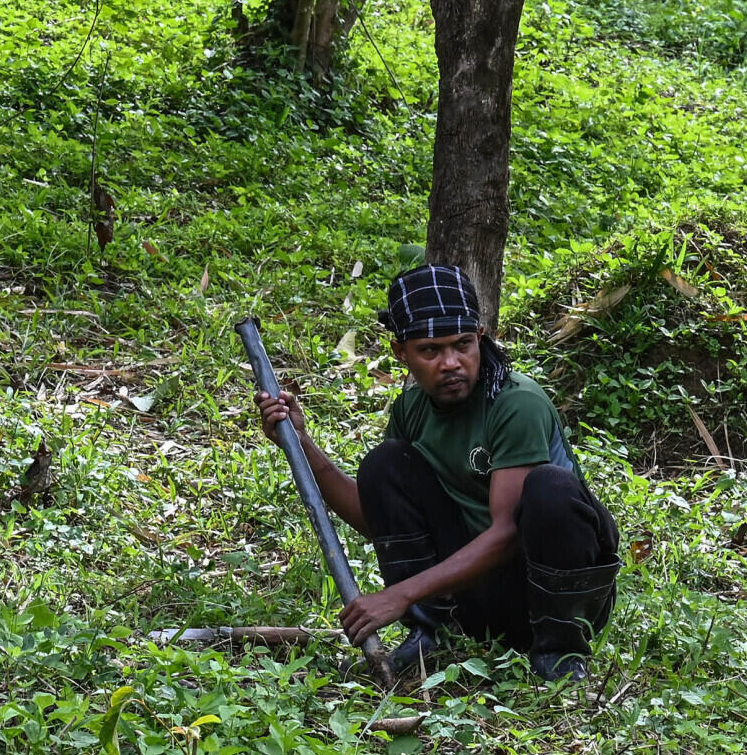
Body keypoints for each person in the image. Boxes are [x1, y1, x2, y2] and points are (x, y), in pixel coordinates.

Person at [255, 263, 620, 682]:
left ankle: (561, 654)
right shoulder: (412, 411)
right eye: (431, 350)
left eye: (462, 344)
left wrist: (399, 594)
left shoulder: (517, 403)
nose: (451, 363)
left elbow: (506, 535)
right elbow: (376, 517)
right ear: (401, 353)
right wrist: (300, 443)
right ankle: (433, 632)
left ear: (480, 337)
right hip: (480, 597)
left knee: (550, 489)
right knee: (384, 463)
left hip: (545, 591)